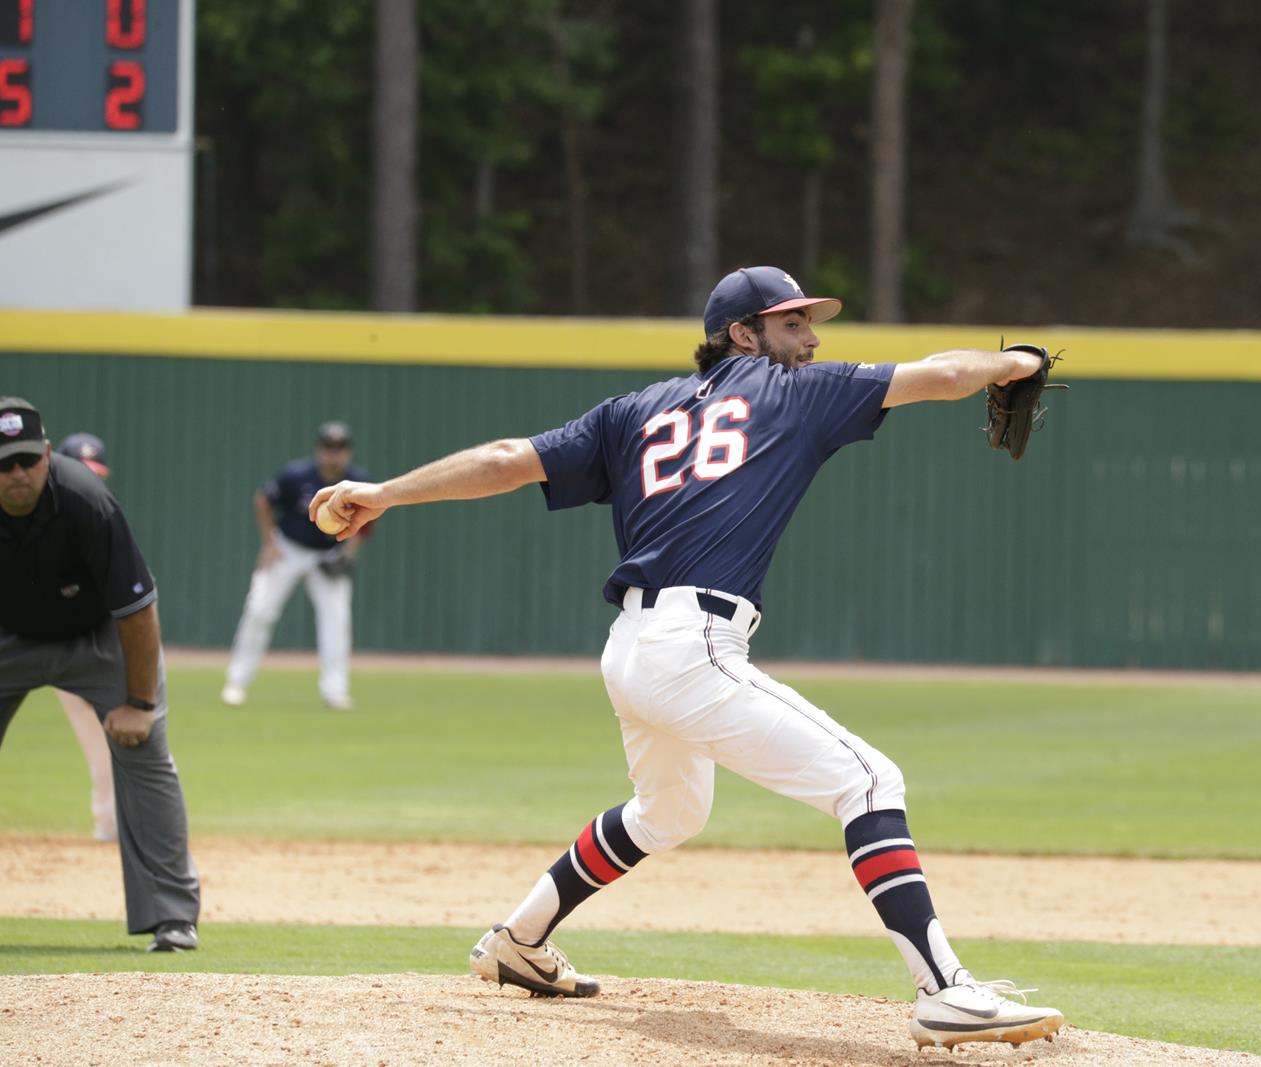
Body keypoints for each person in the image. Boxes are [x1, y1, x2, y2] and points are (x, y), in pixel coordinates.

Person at [310, 267, 1064, 1050]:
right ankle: (945, 990)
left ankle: (518, 940)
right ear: (743, 334)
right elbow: (945, 375)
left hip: (631, 649)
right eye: (793, 323)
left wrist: (384, 492)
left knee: (669, 811)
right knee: (869, 781)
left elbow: (504, 458)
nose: (811, 338)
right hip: (694, 644)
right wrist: (1020, 362)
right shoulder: (795, 391)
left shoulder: (631, 411)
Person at [0, 398, 201, 952]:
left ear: (46, 454)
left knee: (146, 750)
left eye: (25, 460)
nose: (17, 473)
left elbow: (137, 609)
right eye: (3, 464)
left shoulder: (88, 501)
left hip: (96, 637)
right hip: (8, 637)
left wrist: (140, 702)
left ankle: (172, 917)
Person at [221, 421, 369, 711]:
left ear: (348, 452)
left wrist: (348, 555)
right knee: (259, 611)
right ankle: (236, 682)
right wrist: (269, 543)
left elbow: (366, 522)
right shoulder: (295, 475)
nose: (334, 453)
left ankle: (335, 690)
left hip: (329, 554)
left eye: (340, 448)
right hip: (289, 548)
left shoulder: (357, 482)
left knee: (336, 621)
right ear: (319, 449)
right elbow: (263, 499)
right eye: (329, 447)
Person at [53, 432, 119, 841]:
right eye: (80, 470)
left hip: (105, 646)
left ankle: (113, 826)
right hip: (55, 644)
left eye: (94, 472)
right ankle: (111, 824)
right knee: (98, 743)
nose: (88, 479)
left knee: (120, 744)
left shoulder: (105, 518)